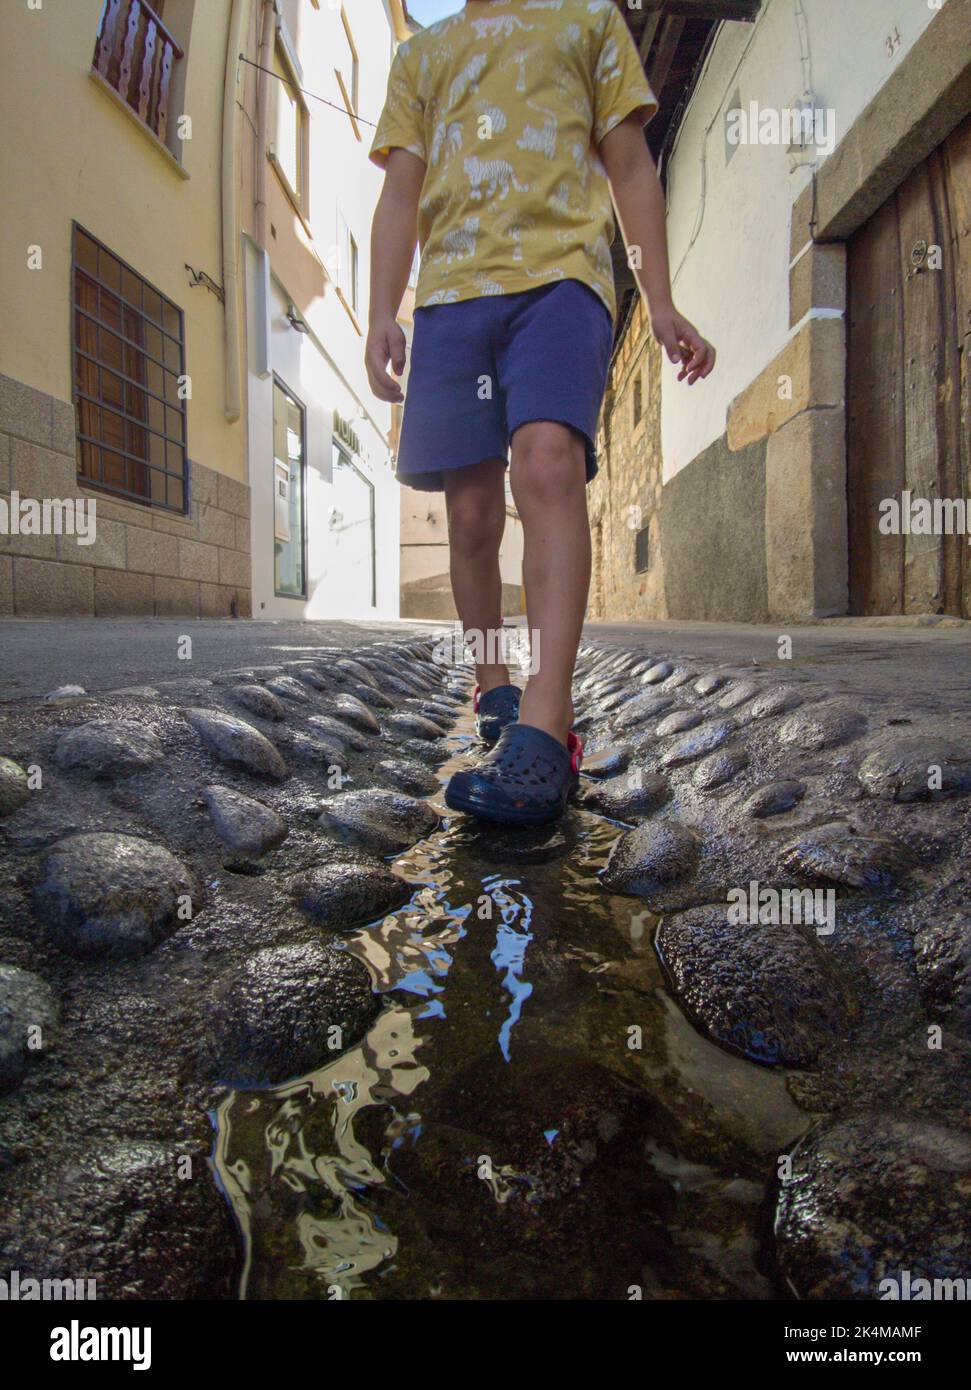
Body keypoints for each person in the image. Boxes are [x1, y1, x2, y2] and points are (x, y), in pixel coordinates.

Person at [366, 0, 715, 825]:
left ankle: (546, 724)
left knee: (548, 460)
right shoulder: (424, 54)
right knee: (472, 515)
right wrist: (383, 307)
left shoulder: (589, 21)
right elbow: (398, 195)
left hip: (562, 285)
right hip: (452, 301)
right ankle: (494, 690)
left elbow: (630, 167)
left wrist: (657, 299)